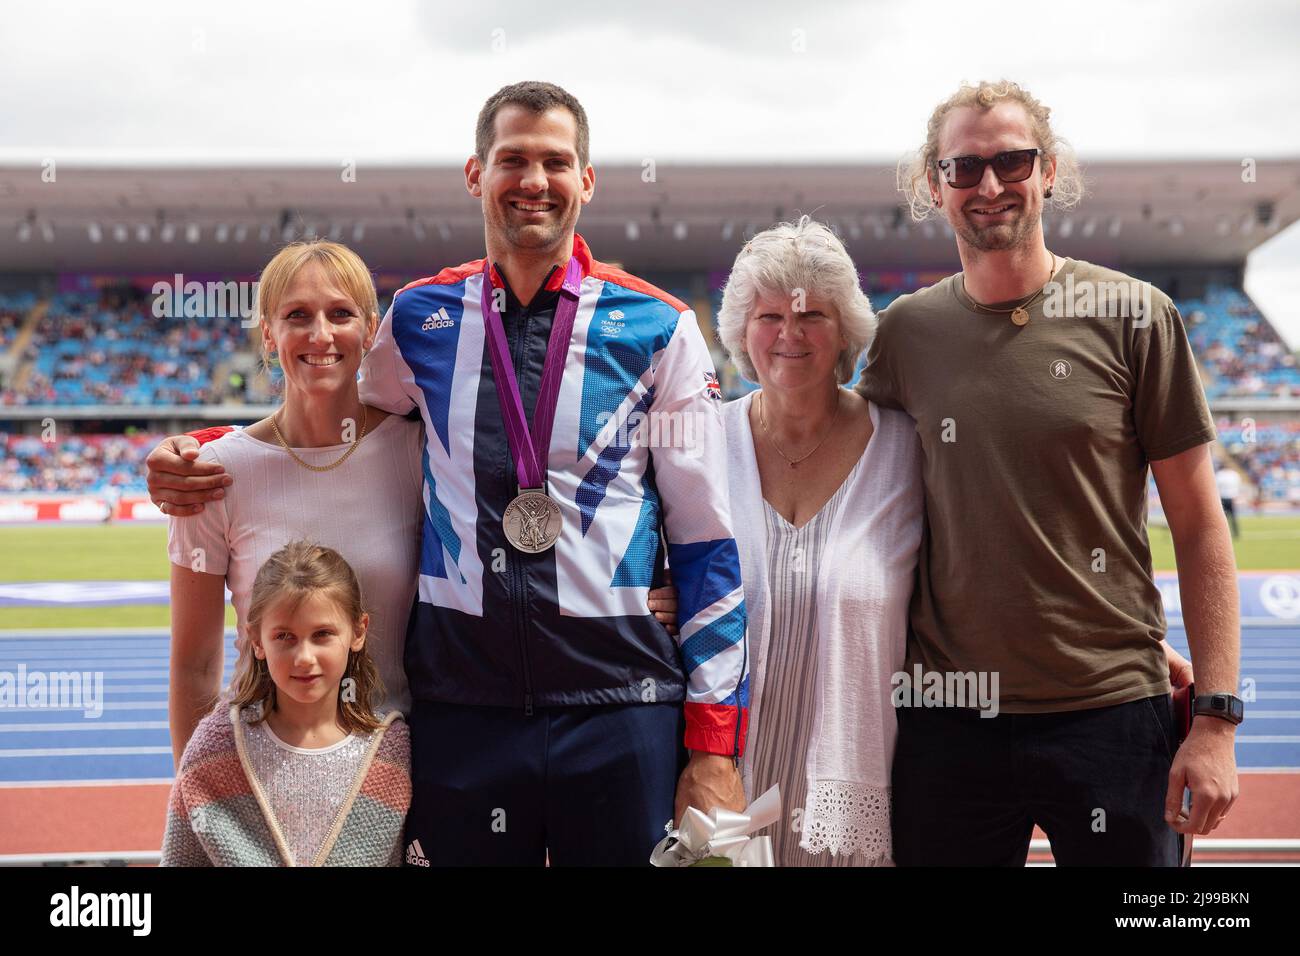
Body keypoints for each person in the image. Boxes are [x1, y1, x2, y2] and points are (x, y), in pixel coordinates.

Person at [147, 81, 746, 866]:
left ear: (587, 181)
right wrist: (210, 447)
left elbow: (707, 543)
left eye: (556, 161)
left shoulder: (660, 327)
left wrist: (712, 747)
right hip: (464, 717)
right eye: (513, 160)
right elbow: (328, 417)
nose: (534, 179)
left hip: (620, 708)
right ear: (476, 175)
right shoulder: (420, 321)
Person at [856, 79, 1240, 865]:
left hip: (1114, 716)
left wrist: (1215, 718)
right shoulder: (905, 333)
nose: (989, 185)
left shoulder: (1137, 315)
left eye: (1011, 161)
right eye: (963, 168)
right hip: (947, 719)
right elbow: (844, 487)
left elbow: (1201, 527)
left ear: (1051, 170)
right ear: (934, 185)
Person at [164, 240, 425, 767]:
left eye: (341, 314)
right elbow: (195, 664)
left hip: (394, 774)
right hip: (257, 772)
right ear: (268, 332)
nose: (321, 334)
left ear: (371, 329)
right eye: (297, 315)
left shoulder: (419, 452)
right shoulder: (213, 474)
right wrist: (197, 795)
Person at [715, 216, 922, 865]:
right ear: (742, 333)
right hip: (721, 784)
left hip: (860, 791)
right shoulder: (699, 446)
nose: (789, 335)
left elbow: (977, 576)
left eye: (812, 316)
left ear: (847, 332)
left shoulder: (907, 450)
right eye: (768, 315)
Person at [160, 541, 411, 866]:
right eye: (284, 637)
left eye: (322, 634)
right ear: (256, 640)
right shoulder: (216, 750)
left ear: (358, 632)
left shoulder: (389, 753)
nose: (304, 658)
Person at [1215, 462, 1242, 538]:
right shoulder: (1234, 474)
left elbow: (1216, 487)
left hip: (1224, 497)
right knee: (1232, 517)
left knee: (1226, 517)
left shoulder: (1219, 475)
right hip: (1229, 497)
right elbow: (1237, 486)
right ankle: (1235, 534)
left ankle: (1225, 534)